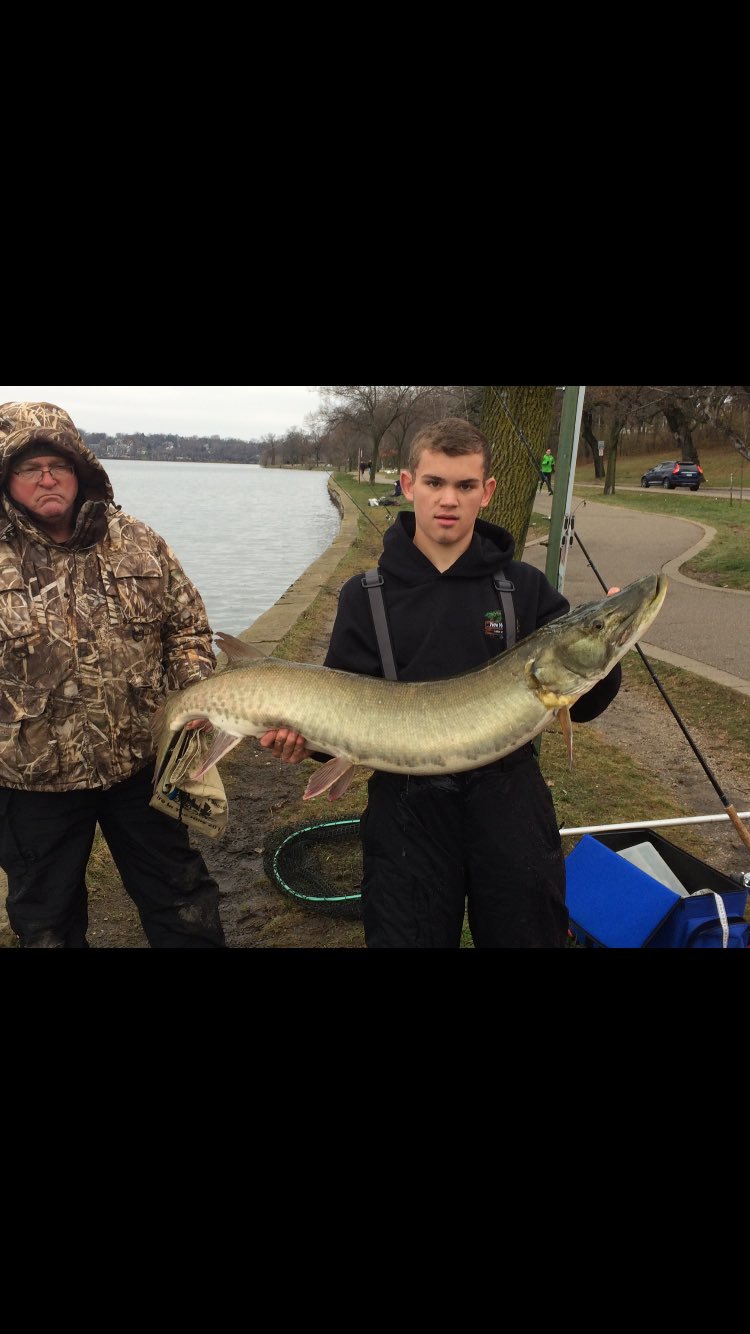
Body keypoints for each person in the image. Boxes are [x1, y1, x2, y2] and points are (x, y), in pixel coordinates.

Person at [259, 416, 622, 950]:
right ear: (409, 484)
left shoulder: (523, 587)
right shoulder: (365, 596)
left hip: (511, 805)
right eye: (434, 482)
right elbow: (340, 718)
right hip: (406, 815)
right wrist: (302, 742)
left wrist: (609, 648)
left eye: (465, 485)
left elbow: (584, 705)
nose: (448, 499)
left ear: (486, 492)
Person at [0, 401, 226, 948]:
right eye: (30, 468)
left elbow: (188, 628)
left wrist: (193, 688)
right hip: (32, 783)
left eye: (59, 465)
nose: (47, 478)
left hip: (140, 766)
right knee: (46, 925)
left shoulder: (137, 541)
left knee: (184, 904)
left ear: (81, 469)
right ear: (7, 477)